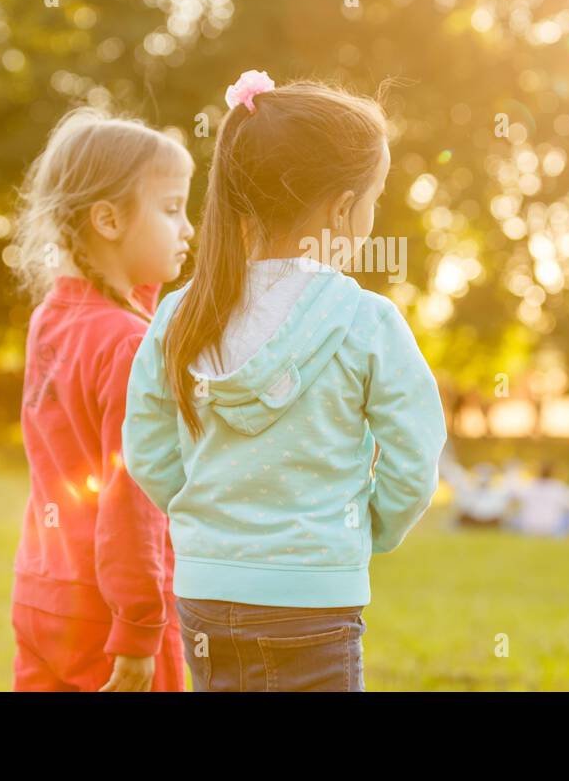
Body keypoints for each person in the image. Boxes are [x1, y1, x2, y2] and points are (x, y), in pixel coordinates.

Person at [123, 71, 447, 691]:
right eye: (375, 198)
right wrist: (366, 528)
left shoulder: (180, 315)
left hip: (205, 591)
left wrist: (205, 519)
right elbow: (414, 453)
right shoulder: (367, 320)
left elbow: (146, 445)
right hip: (315, 595)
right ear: (343, 209)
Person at [8, 107, 194, 691]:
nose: (188, 228)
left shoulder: (51, 320)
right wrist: (138, 629)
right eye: (171, 210)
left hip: (43, 594)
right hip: (114, 614)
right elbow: (131, 497)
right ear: (108, 220)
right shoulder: (132, 344)